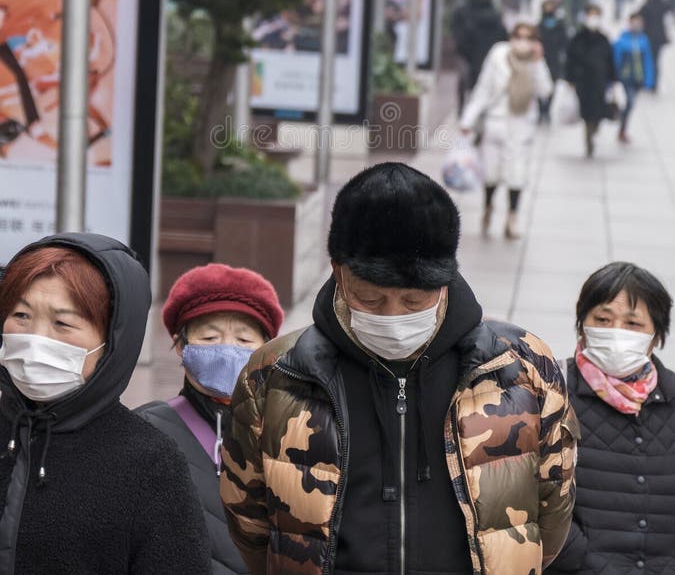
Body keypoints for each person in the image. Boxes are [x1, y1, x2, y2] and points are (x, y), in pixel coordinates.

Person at [220, 162, 578, 575]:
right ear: (338, 271)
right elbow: (250, 522)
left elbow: (552, 512)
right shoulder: (277, 375)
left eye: (413, 302)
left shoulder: (520, 368)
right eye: (370, 299)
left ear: (445, 281)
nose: (392, 315)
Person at [0, 232, 211, 575]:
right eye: (21, 315)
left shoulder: (149, 464)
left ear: (112, 342)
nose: (35, 337)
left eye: (62, 323)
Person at [137, 263, 284, 575]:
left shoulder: (291, 432)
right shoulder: (145, 431)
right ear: (180, 345)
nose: (227, 349)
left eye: (244, 340)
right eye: (209, 336)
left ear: (267, 350)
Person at [548, 262, 675, 574]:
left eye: (633, 324)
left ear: (656, 336)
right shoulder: (551, 393)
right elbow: (534, 499)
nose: (617, 332)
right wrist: (583, 560)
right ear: (582, 325)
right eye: (603, 319)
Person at [460, 22, 553, 239]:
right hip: (495, 122)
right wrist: (468, 120)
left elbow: (545, 91)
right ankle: (488, 205)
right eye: (518, 36)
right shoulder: (498, 55)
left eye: (528, 38)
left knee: (516, 174)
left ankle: (512, 217)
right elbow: (483, 89)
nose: (522, 42)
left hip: (521, 125)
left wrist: (539, 63)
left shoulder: (535, 62)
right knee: (491, 173)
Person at [565, 3, 616, 159]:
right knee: (587, 112)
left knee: (599, 112)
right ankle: (588, 139)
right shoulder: (577, 38)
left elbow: (610, 61)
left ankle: (594, 131)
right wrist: (570, 79)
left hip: (599, 81)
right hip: (583, 81)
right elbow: (570, 60)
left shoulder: (603, 39)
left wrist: (613, 79)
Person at [451, 0, 507, 111]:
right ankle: (470, 110)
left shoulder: (492, 12)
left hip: (482, 52)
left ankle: (470, 110)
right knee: (471, 82)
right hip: (471, 53)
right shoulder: (464, 11)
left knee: (476, 83)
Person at [612, 13, 655, 143]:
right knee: (629, 102)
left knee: (630, 105)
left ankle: (622, 128)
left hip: (638, 79)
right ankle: (622, 128)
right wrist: (613, 78)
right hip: (625, 79)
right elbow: (616, 60)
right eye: (634, 22)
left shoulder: (644, 40)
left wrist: (649, 80)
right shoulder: (621, 40)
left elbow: (648, 61)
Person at [538, 0, 568, 122]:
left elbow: (565, 43)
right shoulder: (539, 25)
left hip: (554, 60)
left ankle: (548, 108)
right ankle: (541, 109)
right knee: (540, 85)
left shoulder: (560, 25)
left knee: (552, 86)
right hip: (540, 60)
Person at [640, 0, 670, 92]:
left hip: (648, 37)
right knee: (655, 61)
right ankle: (654, 84)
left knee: (648, 60)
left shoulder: (647, 5)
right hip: (658, 38)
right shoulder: (662, 4)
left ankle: (649, 82)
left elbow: (639, 16)